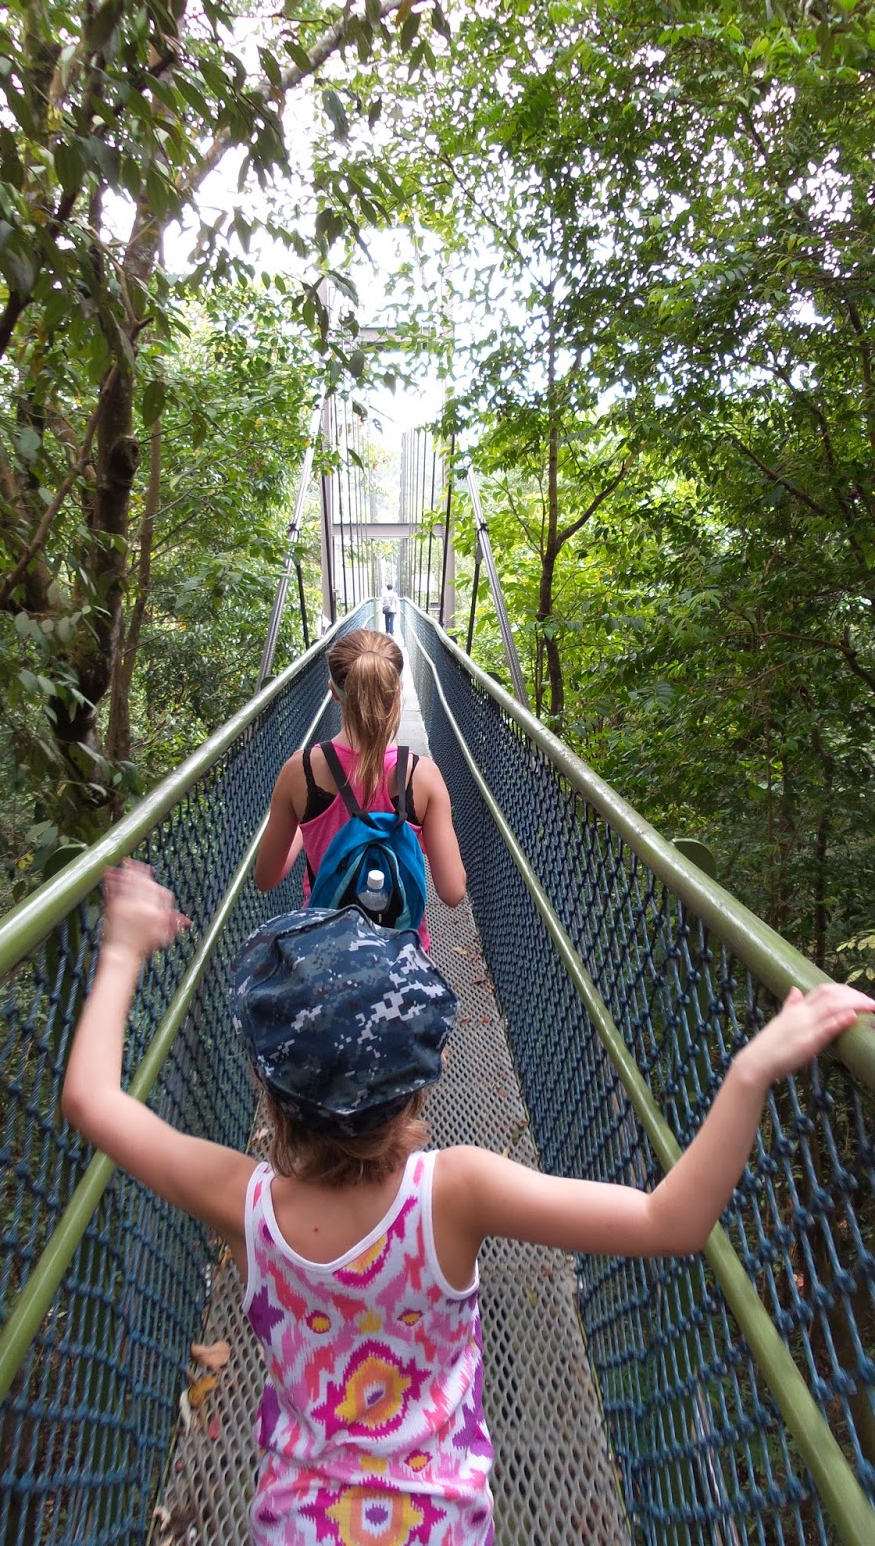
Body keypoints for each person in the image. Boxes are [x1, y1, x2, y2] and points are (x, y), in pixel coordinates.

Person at [62, 862, 873, 1546]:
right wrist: (750, 1072)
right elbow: (673, 1220)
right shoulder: (455, 1189)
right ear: (420, 1078)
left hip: (298, 1524)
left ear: (271, 1094)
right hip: (442, 1524)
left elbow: (94, 1099)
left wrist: (126, 946)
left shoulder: (239, 1200)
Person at [254, 628, 466, 951]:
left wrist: (303, 831)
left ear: (334, 692)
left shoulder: (301, 772)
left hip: (326, 954)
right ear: (398, 692)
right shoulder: (423, 777)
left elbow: (265, 877)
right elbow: (452, 891)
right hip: (402, 960)